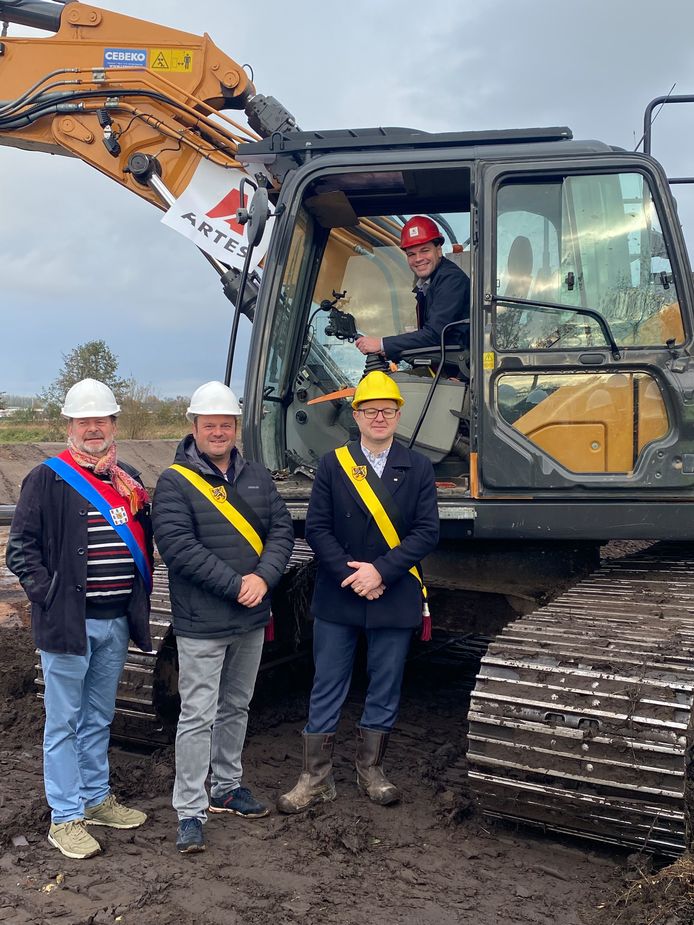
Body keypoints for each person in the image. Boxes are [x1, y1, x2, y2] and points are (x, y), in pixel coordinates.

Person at [277, 371, 439, 814]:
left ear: (398, 415)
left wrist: (381, 572)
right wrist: (353, 575)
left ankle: (372, 771)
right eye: (370, 410)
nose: (379, 417)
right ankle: (315, 778)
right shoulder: (333, 464)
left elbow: (426, 532)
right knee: (327, 683)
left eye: (387, 410)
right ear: (357, 415)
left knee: (385, 683)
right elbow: (317, 528)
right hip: (341, 590)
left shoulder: (419, 467)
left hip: (393, 588)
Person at [6, 379, 152, 860]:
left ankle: (94, 798)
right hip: (69, 624)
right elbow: (20, 549)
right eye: (84, 421)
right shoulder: (46, 479)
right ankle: (65, 817)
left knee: (99, 717)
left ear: (114, 425)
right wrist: (48, 596)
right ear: (69, 426)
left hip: (115, 621)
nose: (93, 428)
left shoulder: (127, 479)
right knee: (63, 723)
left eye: (101, 420)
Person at [152, 381, 294, 854]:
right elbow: (179, 548)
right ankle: (190, 811)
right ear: (194, 427)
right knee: (197, 715)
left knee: (236, 706)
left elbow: (281, 531)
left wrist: (264, 579)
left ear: (236, 428)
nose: (218, 432)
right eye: (209, 424)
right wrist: (238, 586)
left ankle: (227, 787)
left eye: (226, 424)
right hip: (204, 621)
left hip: (249, 618)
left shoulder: (256, 476)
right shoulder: (174, 482)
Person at [355, 215, 470, 363]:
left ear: (439, 250)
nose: (418, 259)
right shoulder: (430, 282)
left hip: (458, 367)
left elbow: (434, 335)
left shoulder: (451, 280)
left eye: (424, 250)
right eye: (411, 254)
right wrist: (390, 350)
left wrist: (382, 343)